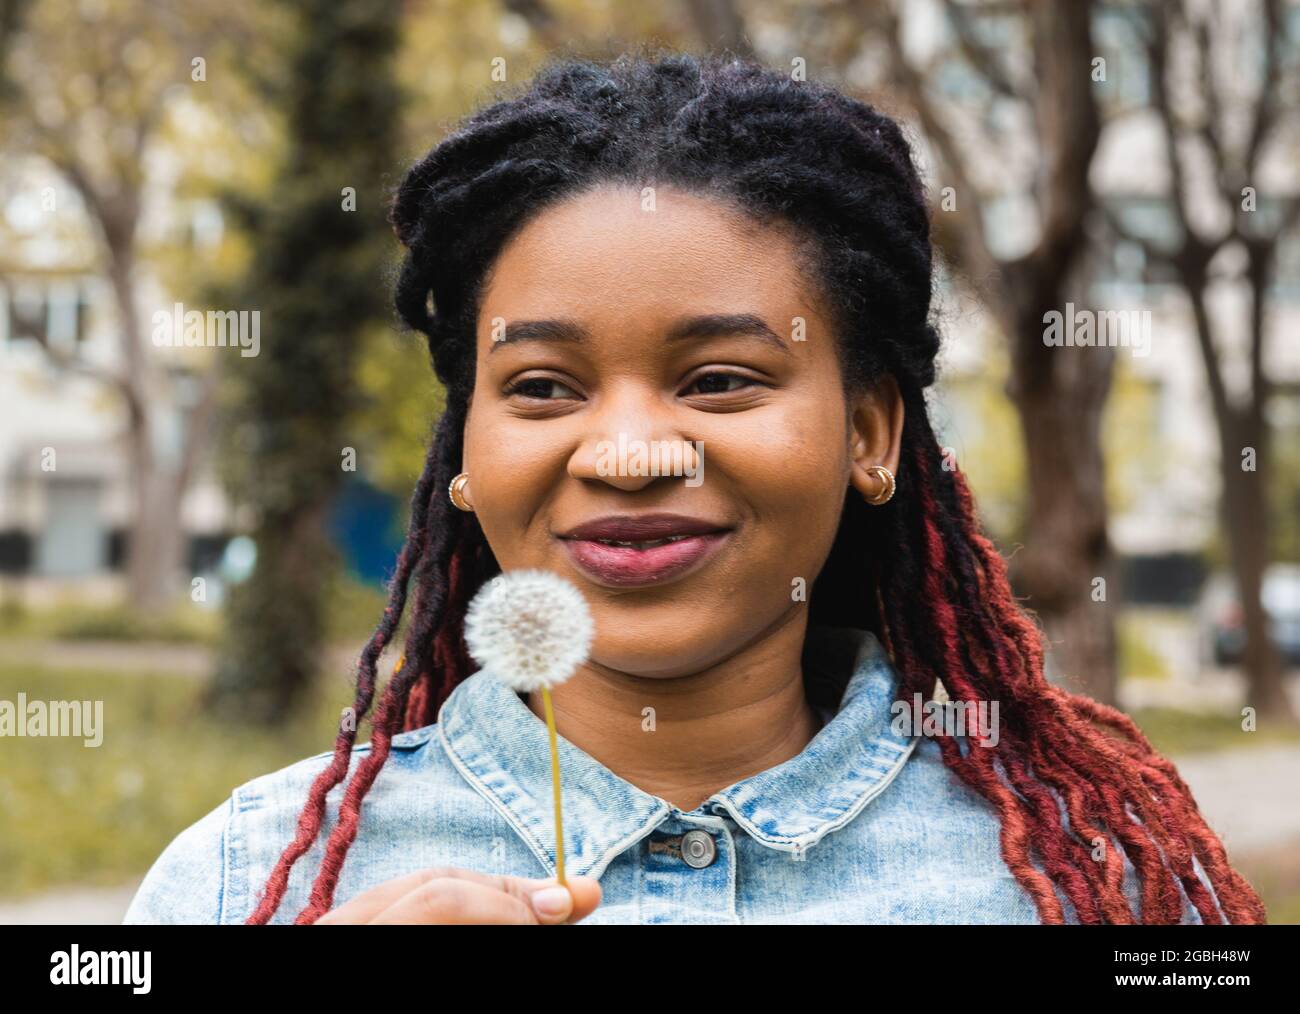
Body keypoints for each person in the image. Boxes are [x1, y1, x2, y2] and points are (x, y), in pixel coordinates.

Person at [122, 50, 1266, 926]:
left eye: (719, 379)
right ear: (464, 450)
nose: (627, 453)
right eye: (541, 386)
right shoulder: (245, 883)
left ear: (868, 431)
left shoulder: (1105, 878)